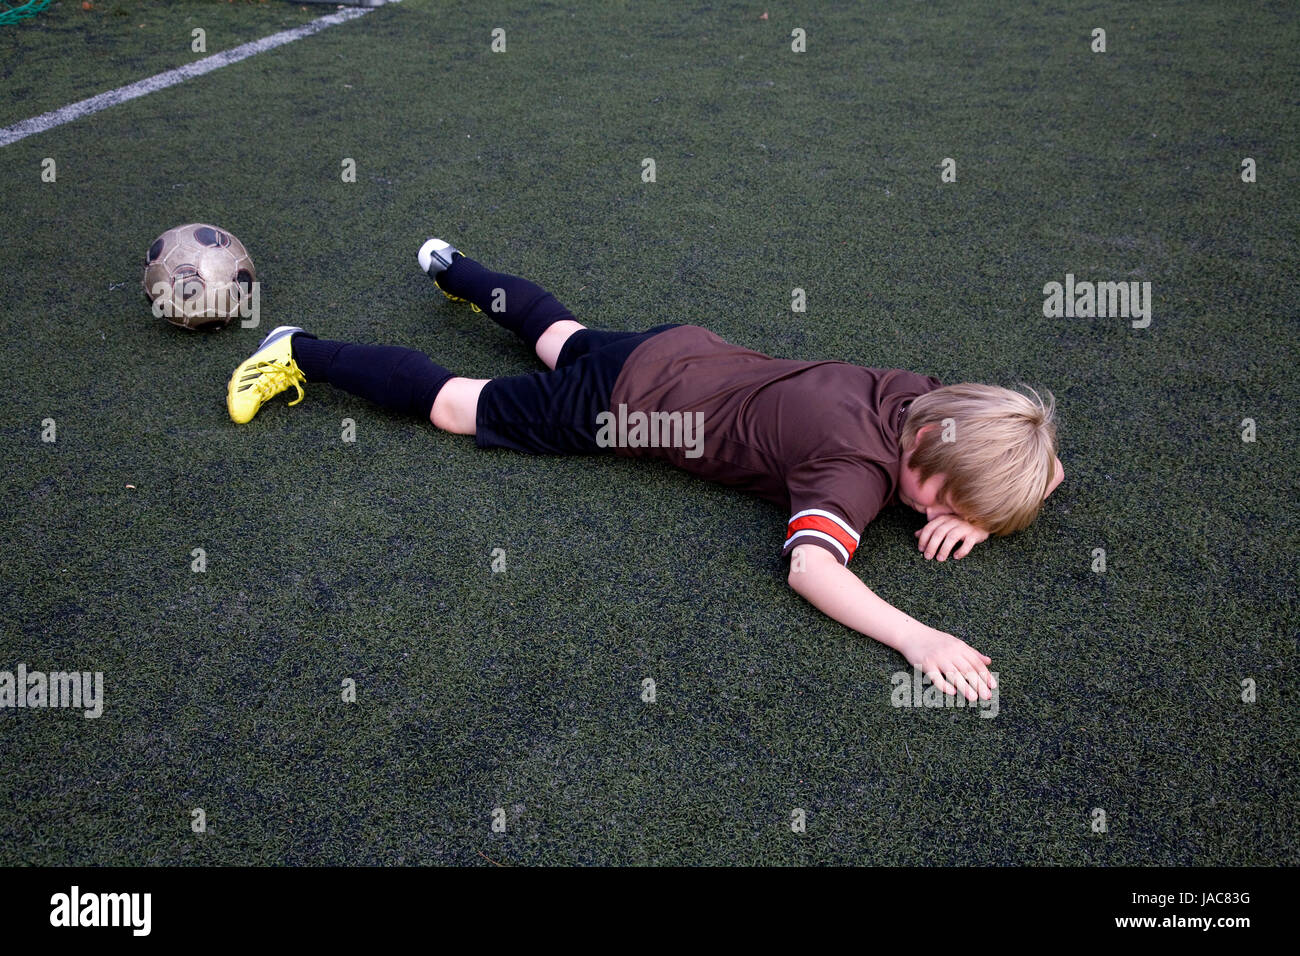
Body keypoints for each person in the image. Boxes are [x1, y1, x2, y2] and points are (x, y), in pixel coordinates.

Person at [226, 239, 1064, 702]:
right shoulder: (857, 472)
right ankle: (295, 348)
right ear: (920, 460)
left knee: (565, 337)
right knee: (457, 404)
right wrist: (918, 637)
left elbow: (1041, 462)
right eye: (938, 501)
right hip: (624, 410)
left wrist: (980, 505)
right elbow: (811, 568)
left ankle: (455, 269)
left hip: (679, 348)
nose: (926, 517)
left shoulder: (923, 398)